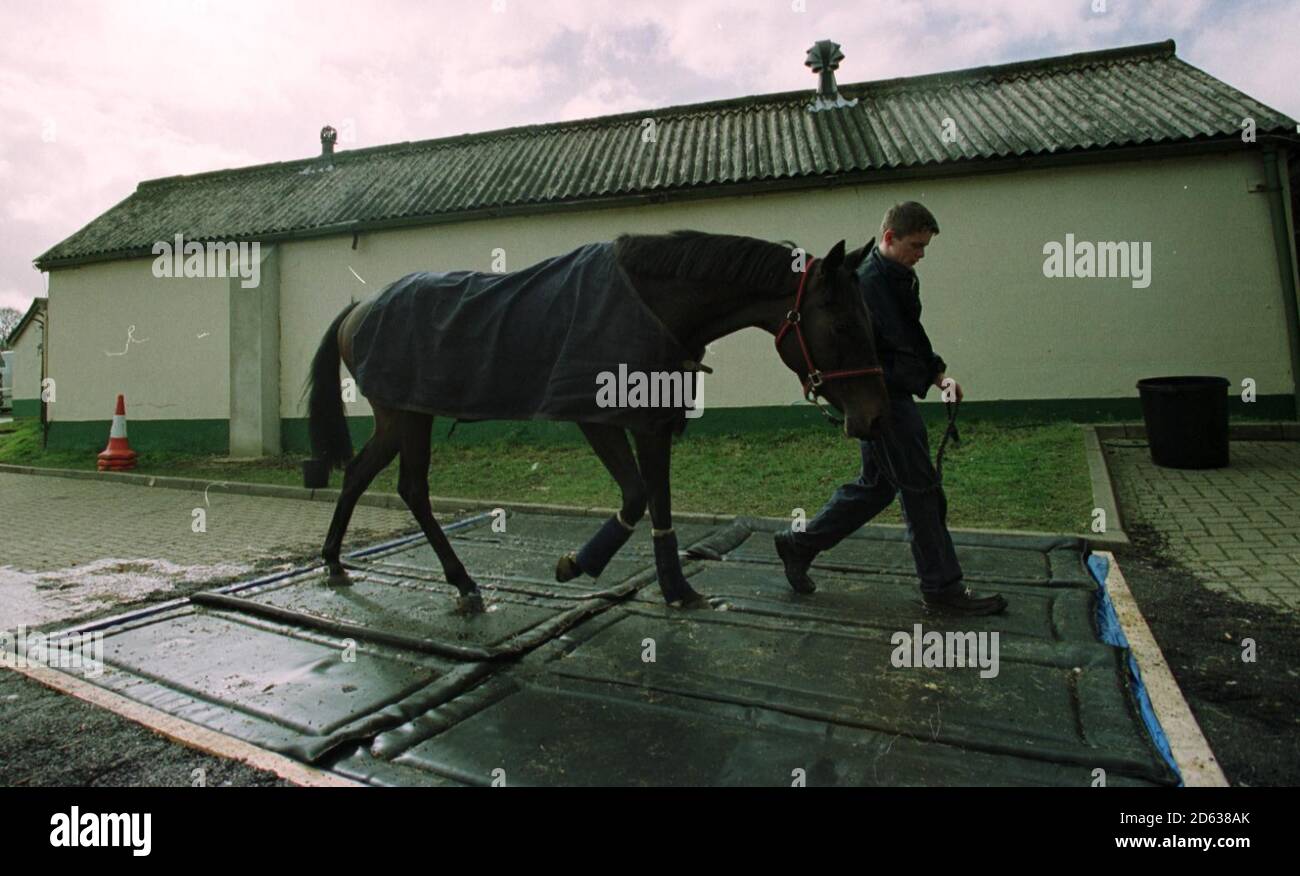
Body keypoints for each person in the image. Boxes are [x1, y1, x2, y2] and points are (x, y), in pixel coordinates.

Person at [775, 202, 1007, 616]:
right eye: (915, 245)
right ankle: (941, 588)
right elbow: (890, 349)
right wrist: (924, 380)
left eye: (924, 247)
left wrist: (938, 377)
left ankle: (800, 543)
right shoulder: (868, 284)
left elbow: (911, 336)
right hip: (882, 401)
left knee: (878, 487)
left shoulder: (898, 277)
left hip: (889, 397)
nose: (921, 254)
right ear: (889, 238)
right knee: (921, 489)